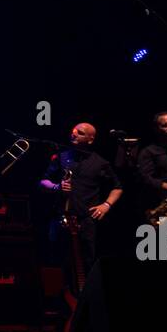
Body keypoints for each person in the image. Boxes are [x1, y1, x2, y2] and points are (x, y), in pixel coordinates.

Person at [39, 122, 122, 286]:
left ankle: (83, 301)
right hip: (61, 218)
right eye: (73, 131)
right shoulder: (61, 157)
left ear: (91, 140)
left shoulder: (100, 163)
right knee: (57, 262)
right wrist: (56, 186)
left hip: (85, 221)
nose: (74, 134)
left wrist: (106, 205)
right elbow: (42, 182)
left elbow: (117, 188)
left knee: (86, 263)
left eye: (81, 133)